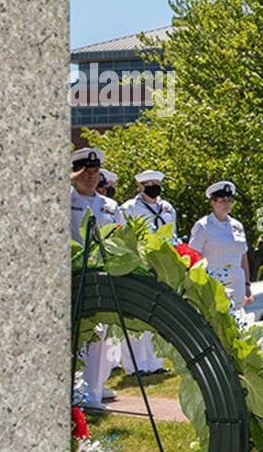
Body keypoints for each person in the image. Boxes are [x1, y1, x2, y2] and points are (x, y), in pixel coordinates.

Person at [70, 147, 126, 410]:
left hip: (101, 279)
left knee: (99, 336)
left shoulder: (110, 206)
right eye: (85, 173)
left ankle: (91, 395)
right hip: (71, 278)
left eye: (95, 173)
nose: (91, 178)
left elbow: (122, 240)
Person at [120, 170, 177, 376]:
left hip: (162, 266)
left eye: (156, 183)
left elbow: (173, 236)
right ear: (140, 187)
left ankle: (155, 363)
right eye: (148, 184)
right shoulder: (129, 208)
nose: (153, 186)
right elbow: (124, 237)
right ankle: (135, 366)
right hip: (140, 264)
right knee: (137, 317)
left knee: (158, 316)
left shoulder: (168, 208)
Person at [188, 181, 253, 309]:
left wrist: (247, 285)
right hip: (214, 282)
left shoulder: (237, 226)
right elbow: (192, 256)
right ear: (212, 202)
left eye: (229, 200)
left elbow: (243, 256)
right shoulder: (203, 225)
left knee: (238, 322)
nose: (227, 203)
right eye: (222, 200)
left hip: (237, 283)